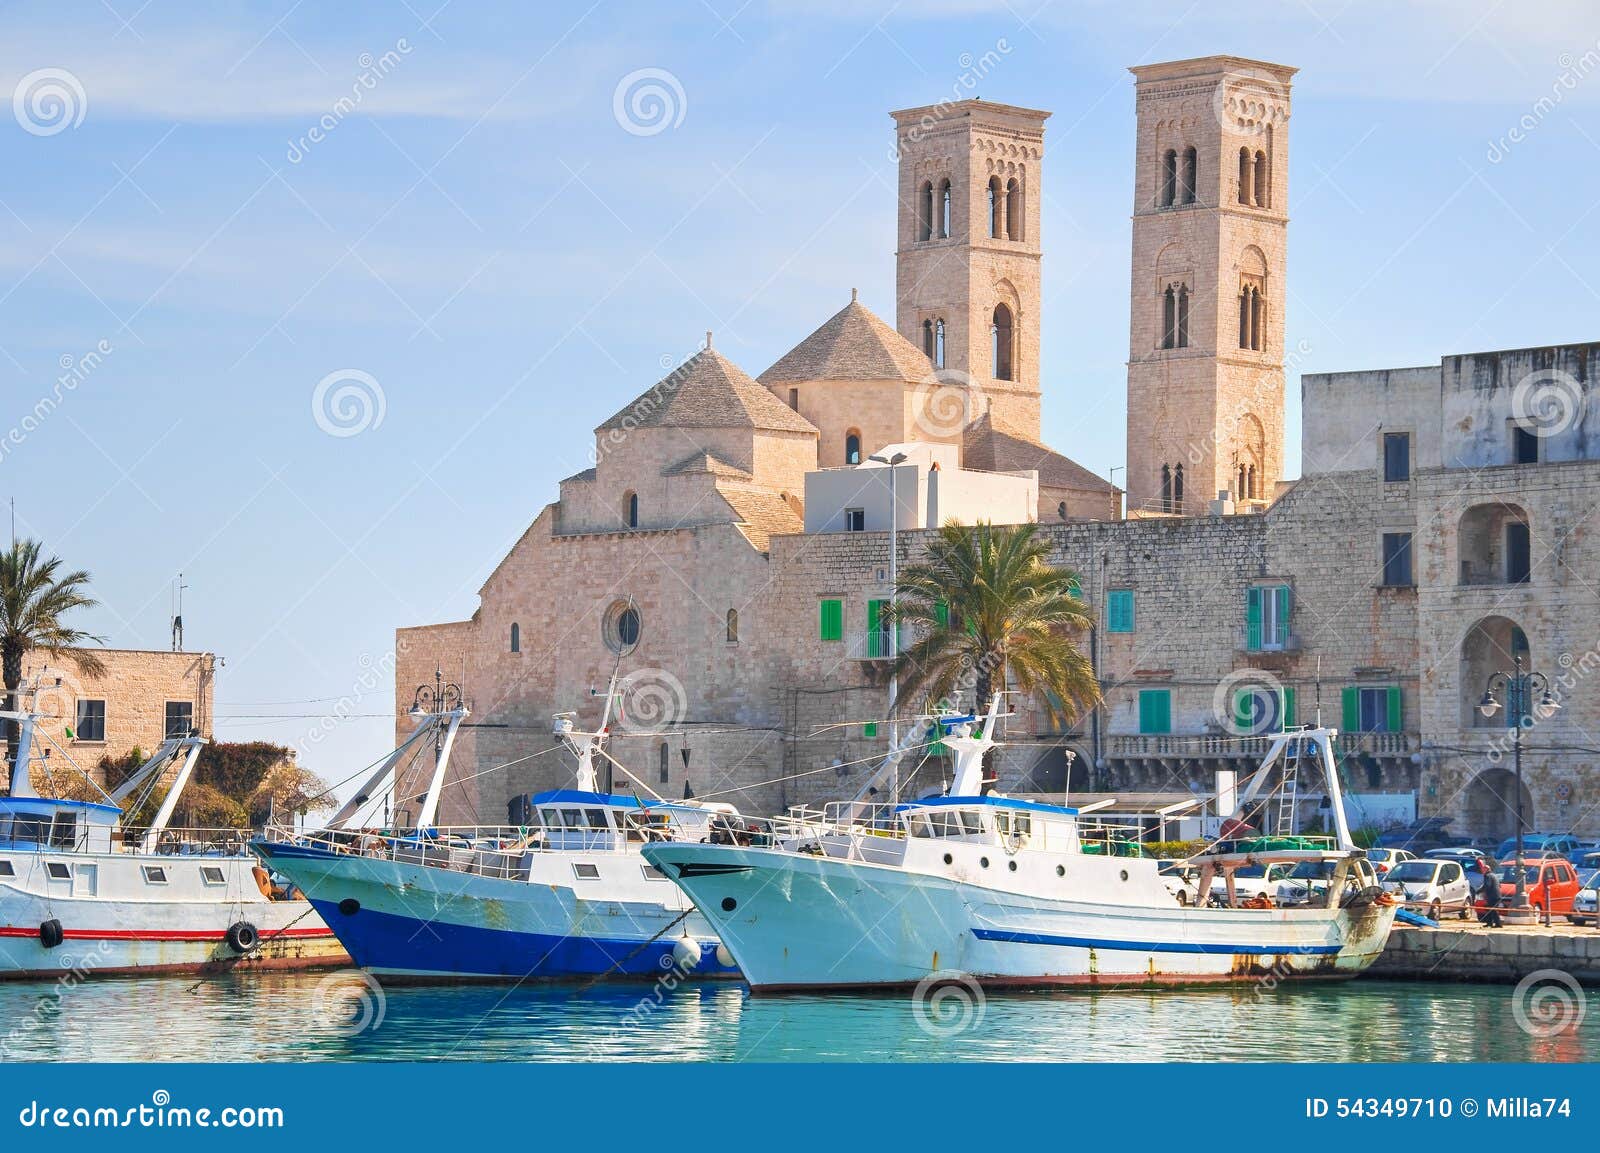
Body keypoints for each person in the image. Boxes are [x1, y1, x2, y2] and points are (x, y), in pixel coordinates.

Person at [1479, 859, 1503, 928]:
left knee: (1493, 910)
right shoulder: (1494, 875)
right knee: (1489, 909)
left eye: (1483, 869)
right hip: (1497, 895)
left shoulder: (1487, 876)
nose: (1482, 871)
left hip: (1492, 896)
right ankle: (1489, 923)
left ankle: (1498, 924)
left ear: (1486, 869)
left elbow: (1487, 885)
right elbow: (1499, 885)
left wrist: (1479, 891)